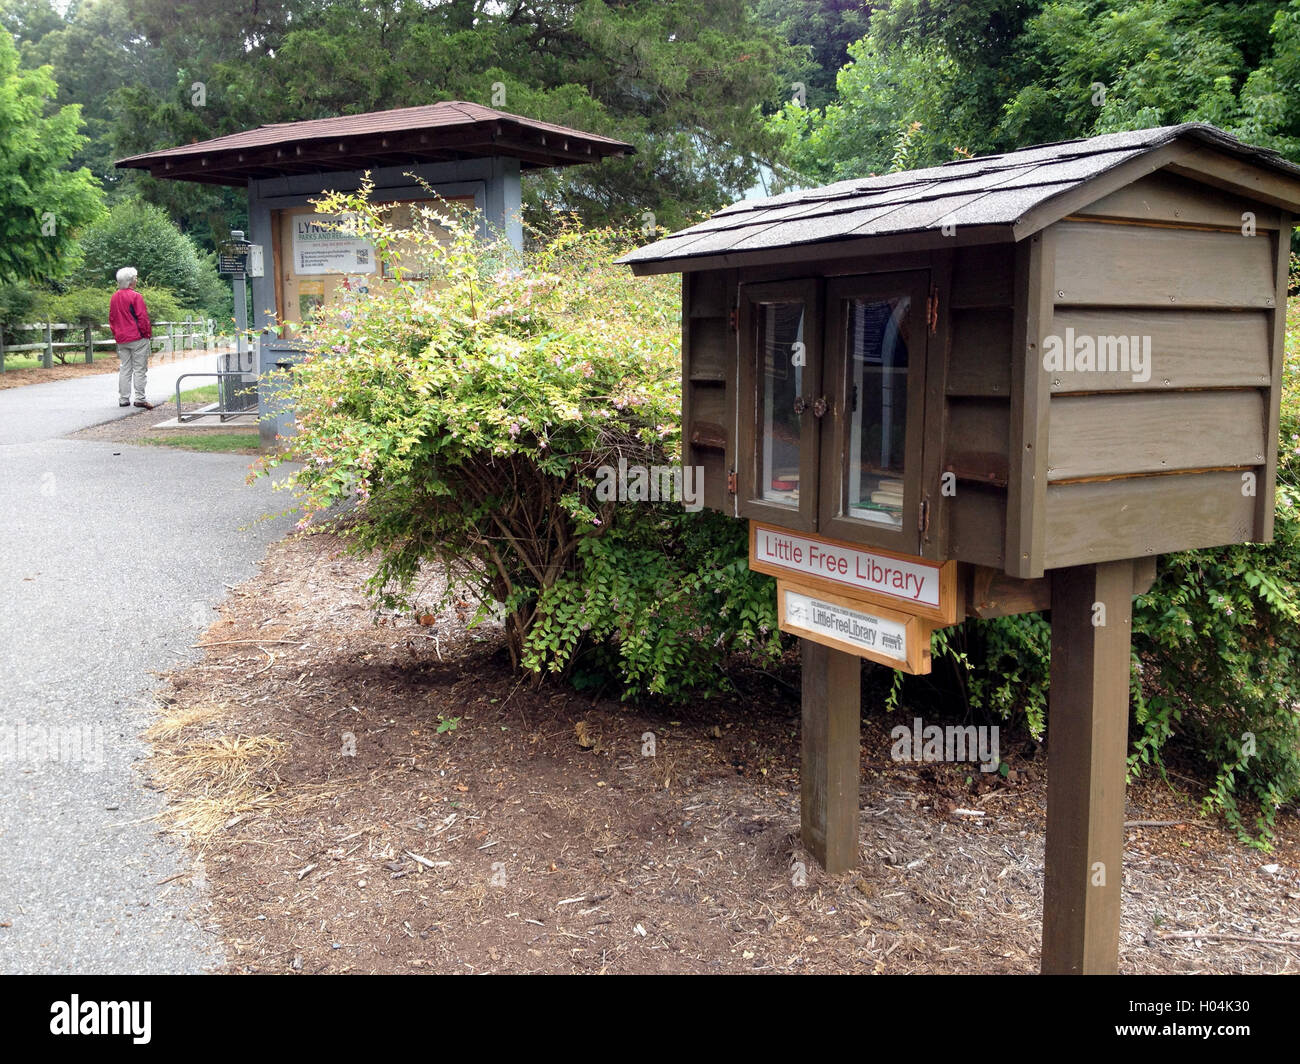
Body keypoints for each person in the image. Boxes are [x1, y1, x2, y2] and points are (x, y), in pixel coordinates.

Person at [109, 267, 154, 409]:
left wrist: (116, 334)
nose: (136, 280)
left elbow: (112, 318)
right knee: (140, 368)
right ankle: (140, 398)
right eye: (135, 278)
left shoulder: (114, 297)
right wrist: (146, 334)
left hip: (122, 338)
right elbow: (142, 317)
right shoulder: (136, 296)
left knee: (125, 368)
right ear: (130, 281)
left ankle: (123, 398)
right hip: (137, 337)